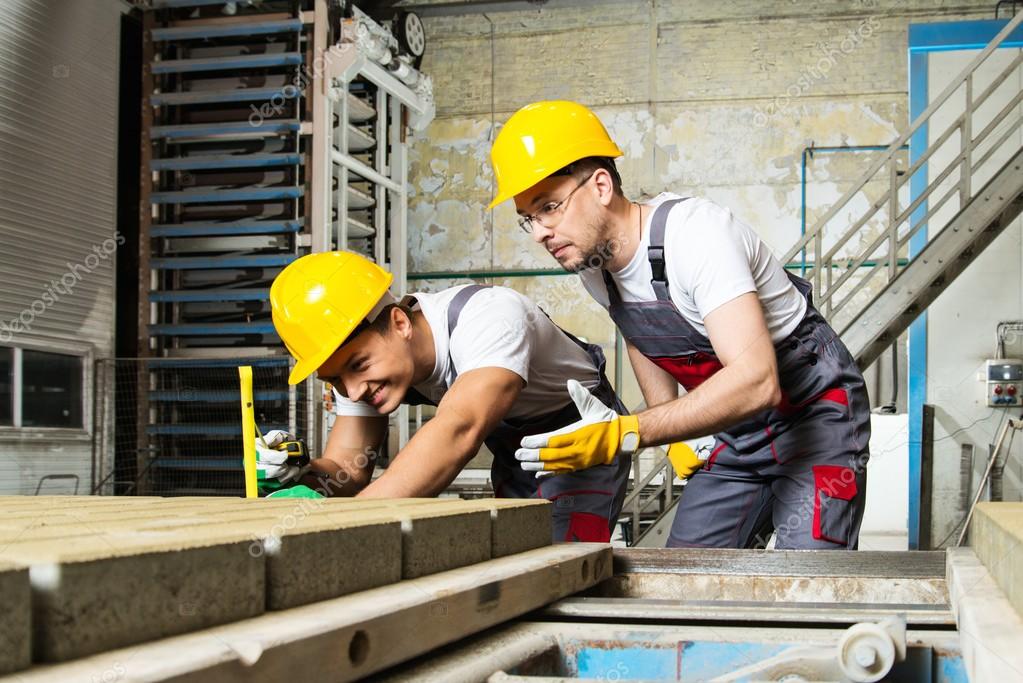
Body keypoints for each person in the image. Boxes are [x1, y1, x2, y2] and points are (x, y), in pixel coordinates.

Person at [489, 100, 871, 549]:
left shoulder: (696, 237)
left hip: (815, 418)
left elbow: (757, 381)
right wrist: (674, 436)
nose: (539, 233)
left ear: (600, 185)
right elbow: (640, 335)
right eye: (528, 219)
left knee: (809, 580)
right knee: (687, 569)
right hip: (739, 433)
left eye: (549, 207)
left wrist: (631, 431)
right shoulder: (595, 269)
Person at [257, 249, 632, 542]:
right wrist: (299, 474)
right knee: (515, 555)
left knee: (557, 565)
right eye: (334, 379)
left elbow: (460, 428)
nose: (352, 391)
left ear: (399, 322)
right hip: (515, 452)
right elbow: (347, 470)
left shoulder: (489, 316)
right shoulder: (361, 374)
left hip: (583, 443)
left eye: (358, 365)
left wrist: (344, 526)